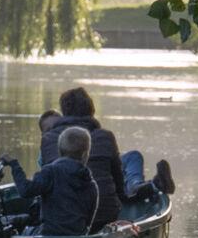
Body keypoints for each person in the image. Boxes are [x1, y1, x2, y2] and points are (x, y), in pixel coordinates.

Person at [40, 87, 175, 226]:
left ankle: (147, 185)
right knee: (132, 163)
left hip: (61, 218)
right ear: (91, 110)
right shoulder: (105, 136)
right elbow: (120, 189)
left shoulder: (48, 139)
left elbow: (45, 185)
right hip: (104, 217)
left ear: (64, 112)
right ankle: (150, 185)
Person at [3, 125, 99, 236]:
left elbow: (25, 190)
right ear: (84, 155)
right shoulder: (91, 185)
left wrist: (14, 165)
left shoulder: (50, 172)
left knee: (15, 229)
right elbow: (88, 223)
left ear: (60, 151)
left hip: (48, 237)